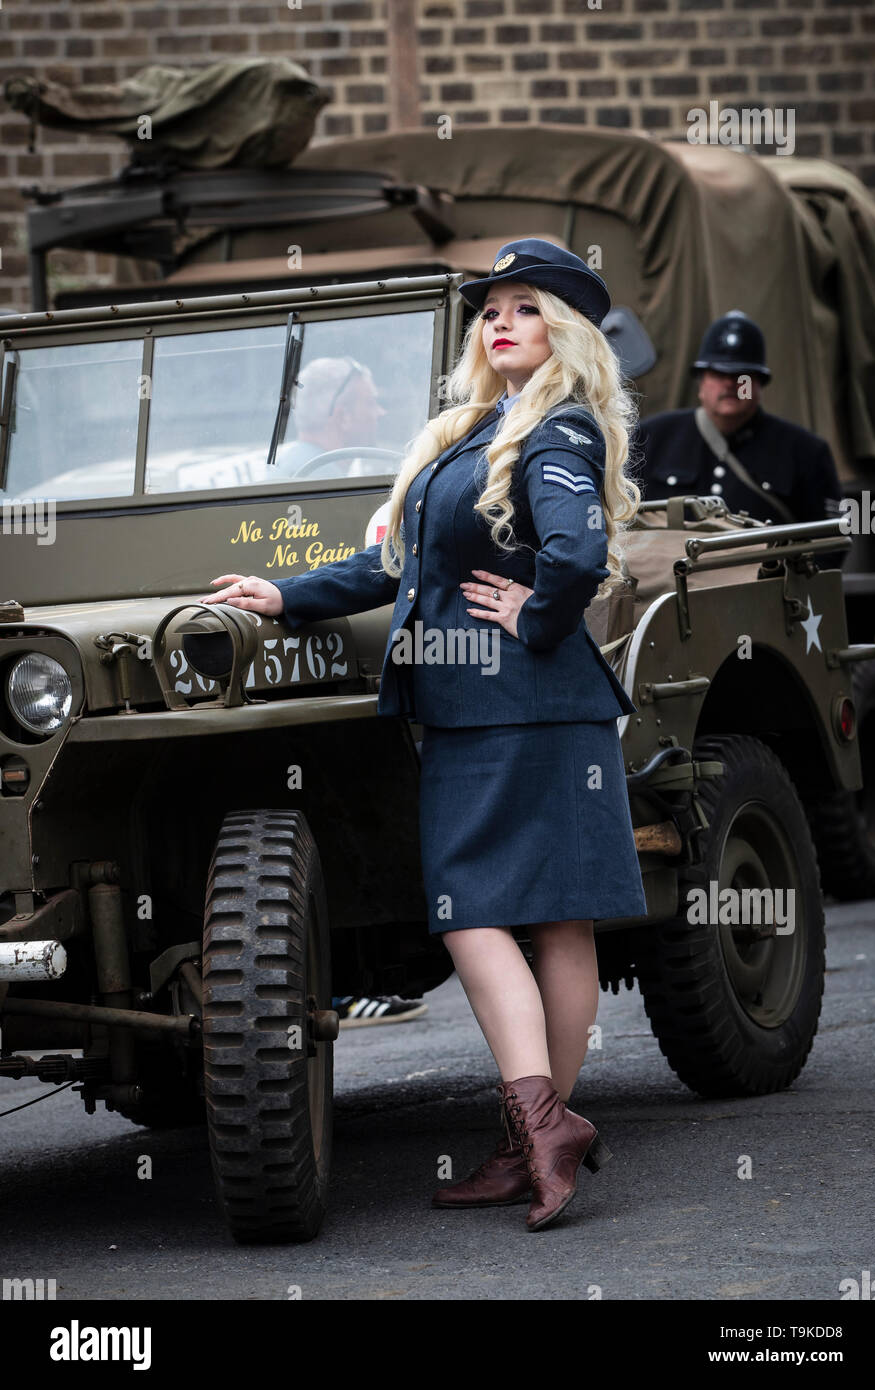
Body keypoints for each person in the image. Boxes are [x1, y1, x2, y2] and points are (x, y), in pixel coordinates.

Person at [201, 237, 648, 1233]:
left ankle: (538, 1130)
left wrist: (531, 613)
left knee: (473, 912)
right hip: (505, 709)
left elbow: (577, 552)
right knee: (552, 918)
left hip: (511, 706)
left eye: (524, 306)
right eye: (490, 306)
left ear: (565, 330)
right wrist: (285, 594)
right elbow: (396, 564)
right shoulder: (470, 430)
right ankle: (536, 1138)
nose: (498, 320)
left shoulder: (552, 430)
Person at [634, 310, 842, 526]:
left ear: (759, 384)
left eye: (742, 375)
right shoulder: (651, 438)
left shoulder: (805, 452)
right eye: (717, 373)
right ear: (701, 383)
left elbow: (831, 537)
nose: (730, 384)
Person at [274, 355, 385, 478]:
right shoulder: (327, 485)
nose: (380, 412)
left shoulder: (287, 466)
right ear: (343, 417)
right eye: (370, 403)